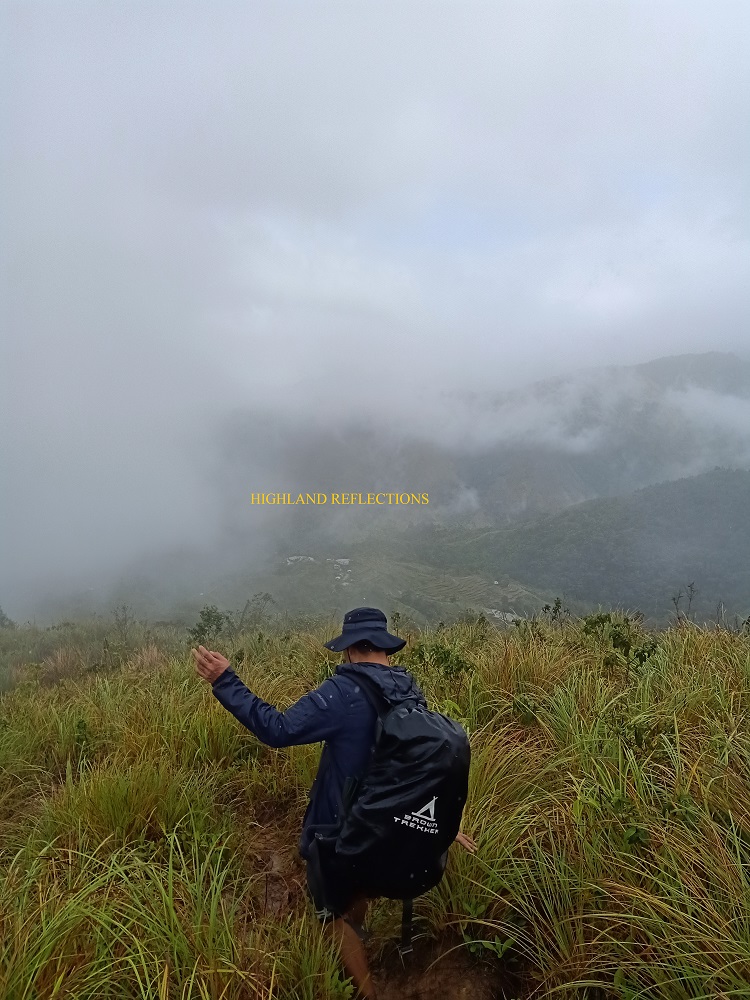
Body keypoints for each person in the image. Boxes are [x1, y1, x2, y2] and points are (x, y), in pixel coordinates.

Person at [192, 606, 476, 999]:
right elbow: (419, 764)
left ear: (350, 650)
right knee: (360, 888)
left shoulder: (342, 693)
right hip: (389, 826)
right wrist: (443, 819)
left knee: (333, 914)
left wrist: (226, 681)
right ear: (383, 647)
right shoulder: (409, 690)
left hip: (342, 830)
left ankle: (368, 990)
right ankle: (361, 924)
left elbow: (278, 729)